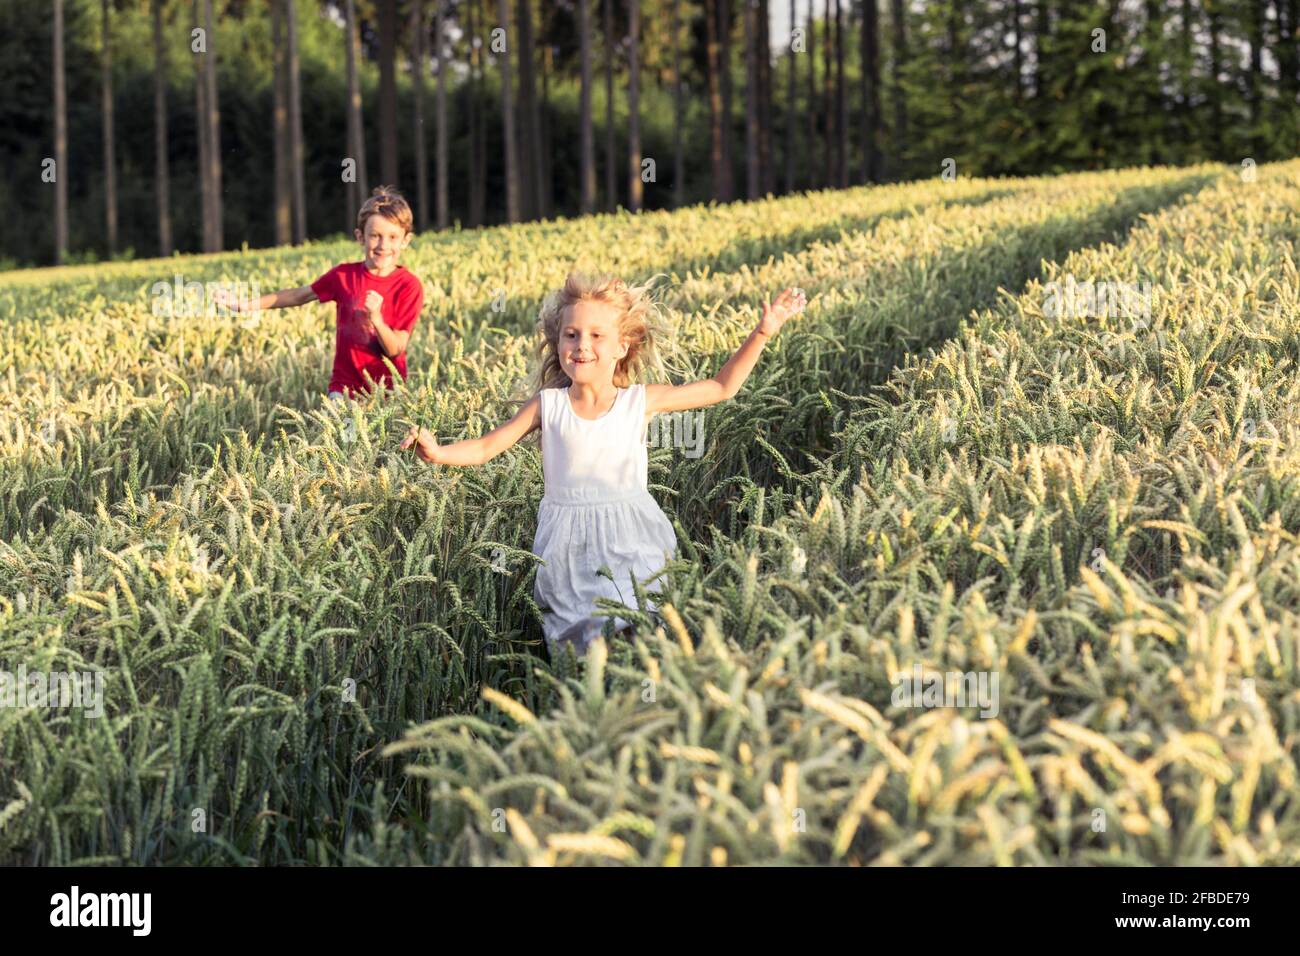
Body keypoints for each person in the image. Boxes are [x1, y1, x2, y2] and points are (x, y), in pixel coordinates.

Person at [400, 272, 807, 656]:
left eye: (597, 335)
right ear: (557, 342)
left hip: (629, 538)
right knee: (584, 651)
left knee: (636, 632)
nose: (582, 346)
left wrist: (764, 331)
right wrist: (438, 452)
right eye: (571, 335)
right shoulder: (549, 405)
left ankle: (647, 708)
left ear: (622, 346)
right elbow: (487, 447)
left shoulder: (638, 401)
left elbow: (721, 388)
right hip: (567, 547)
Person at [213, 185, 424, 402]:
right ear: (360, 237)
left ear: (405, 240)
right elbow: (298, 296)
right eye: (375, 236)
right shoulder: (343, 276)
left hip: (390, 393)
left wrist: (377, 320)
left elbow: (395, 349)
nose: (383, 245)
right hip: (345, 389)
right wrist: (244, 305)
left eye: (392, 237)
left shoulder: (409, 286)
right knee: (344, 436)